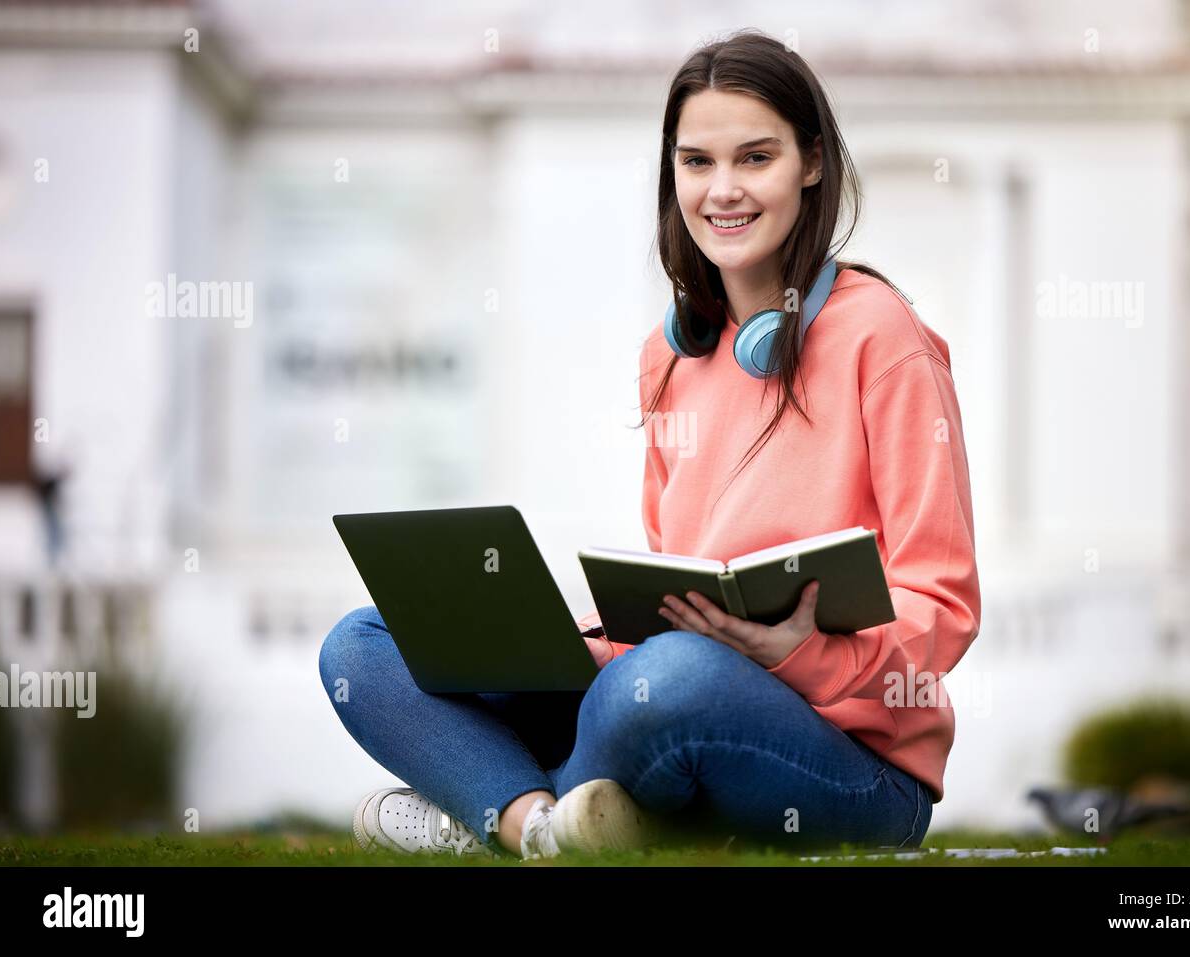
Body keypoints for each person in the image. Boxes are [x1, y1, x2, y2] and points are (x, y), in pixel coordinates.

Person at [318, 28, 981, 861]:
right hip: (662, 691)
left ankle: (481, 802)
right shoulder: (671, 357)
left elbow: (943, 604)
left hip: (852, 765)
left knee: (664, 683)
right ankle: (537, 824)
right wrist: (571, 638)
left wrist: (805, 651)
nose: (723, 190)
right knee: (364, 643)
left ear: (812, 163)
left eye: (755, 158)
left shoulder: (882, 337)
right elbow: (677, 579)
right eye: (696, 161)